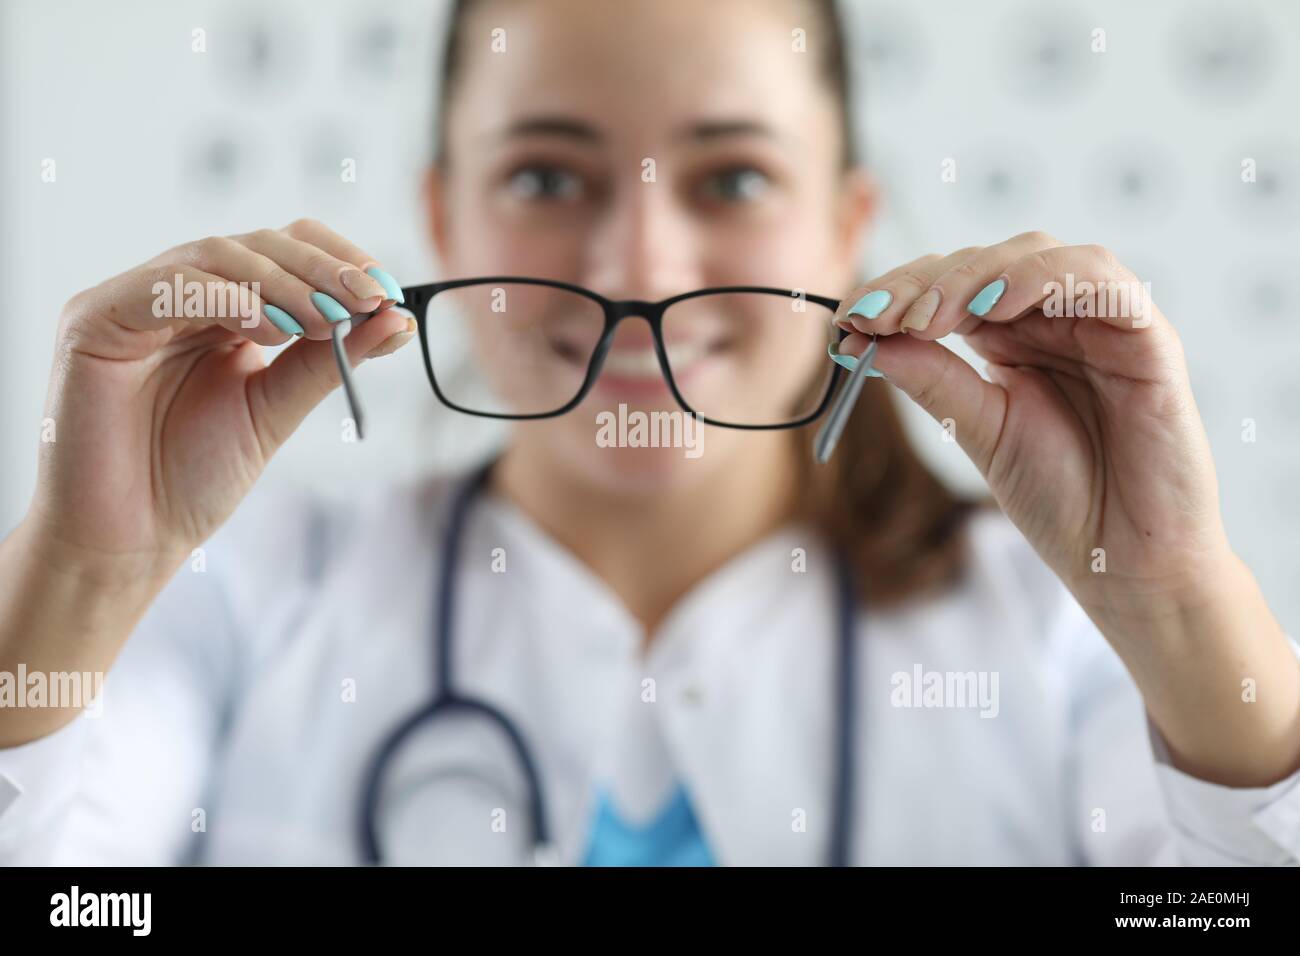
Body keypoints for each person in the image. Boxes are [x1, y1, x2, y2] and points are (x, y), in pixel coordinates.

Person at [0, 0, 1297, 866]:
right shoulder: (253, 597)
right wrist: (84, 572)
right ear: (443, 221)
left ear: (845, 231)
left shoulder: (1049, 634)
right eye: (547, 178)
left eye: (732, 177)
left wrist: (1180, 601)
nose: (638, 266)